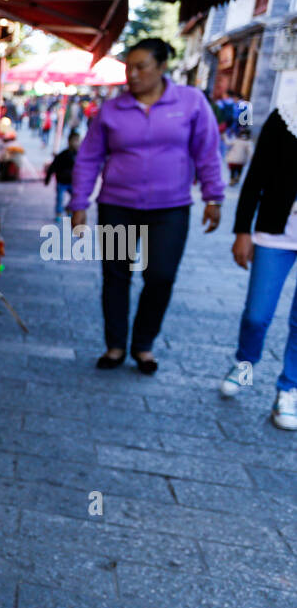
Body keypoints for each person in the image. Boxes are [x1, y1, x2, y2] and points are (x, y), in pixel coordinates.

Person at [69, 37, 225, 374]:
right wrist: (78, 203)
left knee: (161, 276)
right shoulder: (112, 109)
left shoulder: (191, 102)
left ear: (162, 66)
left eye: (142, 67)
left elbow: (207, 151)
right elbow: (88, 158)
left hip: (170, 209)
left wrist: (214, 196)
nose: (133, 75)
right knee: (115, 275)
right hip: (117, 205)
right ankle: (114, 345)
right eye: (129, 67)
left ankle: (143, 344)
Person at [222, 104, 297, 429]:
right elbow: (256, 177)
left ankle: (289, 389)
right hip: (275, 232)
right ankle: (244, 363)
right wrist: (242, 230)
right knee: (257, 314)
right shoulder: (286, 117)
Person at [44, 130, 81, 220]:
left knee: (75, 197)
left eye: (78, 141)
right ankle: (58, 213)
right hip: (61, 181)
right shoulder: (63, 154)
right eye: (75, 140)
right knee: (60, 198)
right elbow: (53, 166)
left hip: (72, 182)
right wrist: (48, 178)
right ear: (69, 141)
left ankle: (69, 209)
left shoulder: (80, 155)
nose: (77, 143)